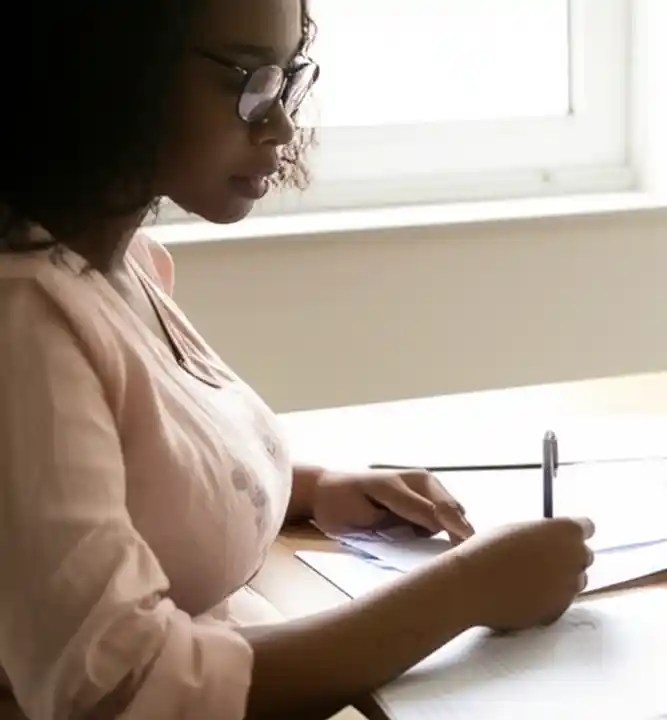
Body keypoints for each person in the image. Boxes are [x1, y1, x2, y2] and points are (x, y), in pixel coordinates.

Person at [0, 2, 594, 718]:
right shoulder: (24, 320)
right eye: (247, 78)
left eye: (286, 79)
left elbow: (133, 478)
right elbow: (124, 691)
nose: (279, 122)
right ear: (102, 69)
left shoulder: (119, 263)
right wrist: (466, 590)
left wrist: (308, 489)